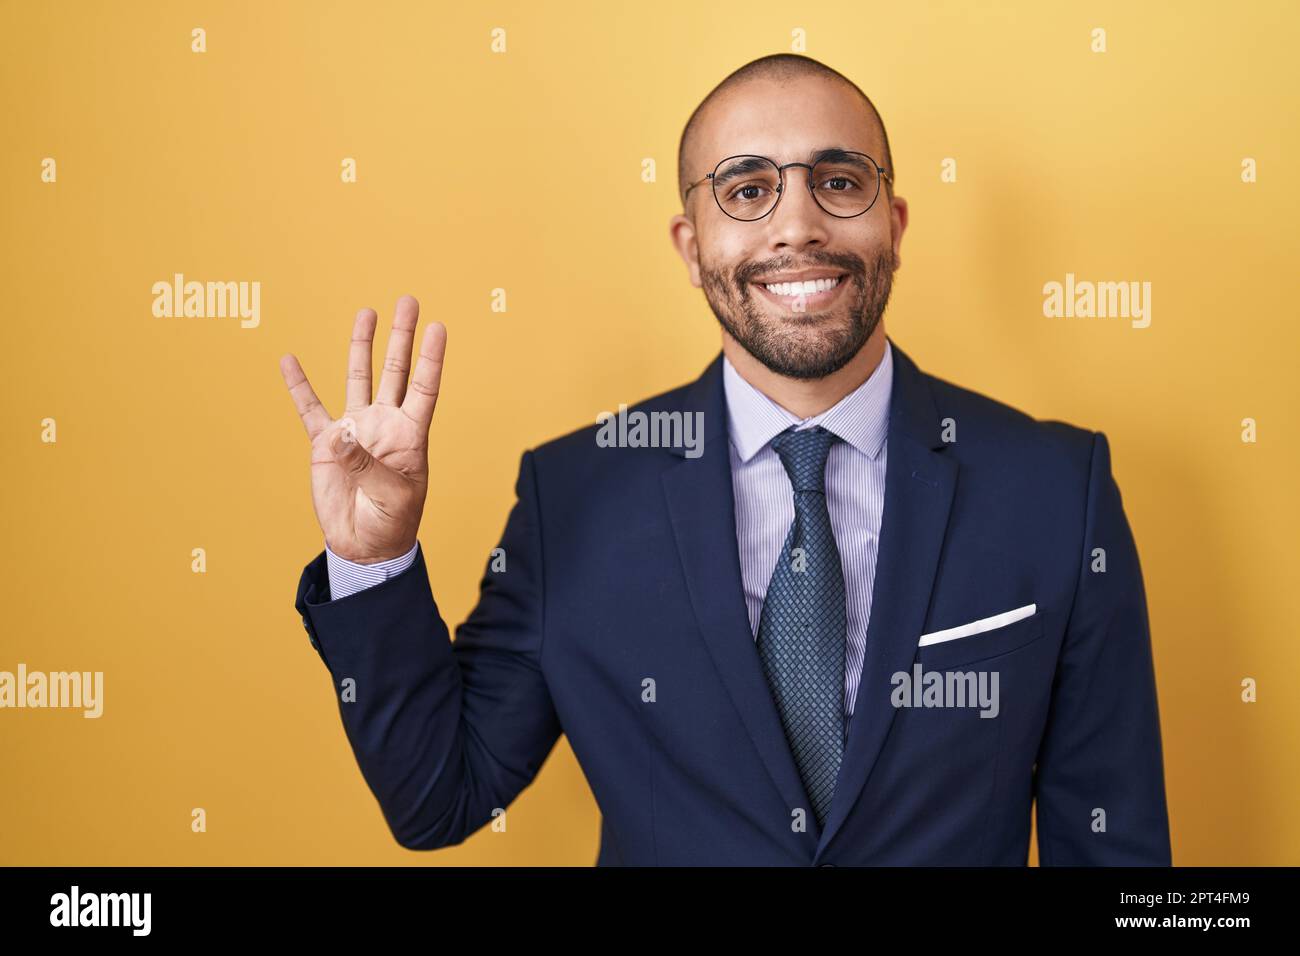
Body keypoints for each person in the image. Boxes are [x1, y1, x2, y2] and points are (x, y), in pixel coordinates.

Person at [278, 54, 1171, 866]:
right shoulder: (573, 496)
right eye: (746, 191)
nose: (797, 227)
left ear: (893, 224)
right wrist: (374, 560)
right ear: (691, 245)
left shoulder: (1058, 489)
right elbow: (439, 799)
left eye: (838, 181)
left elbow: (1115, 844)